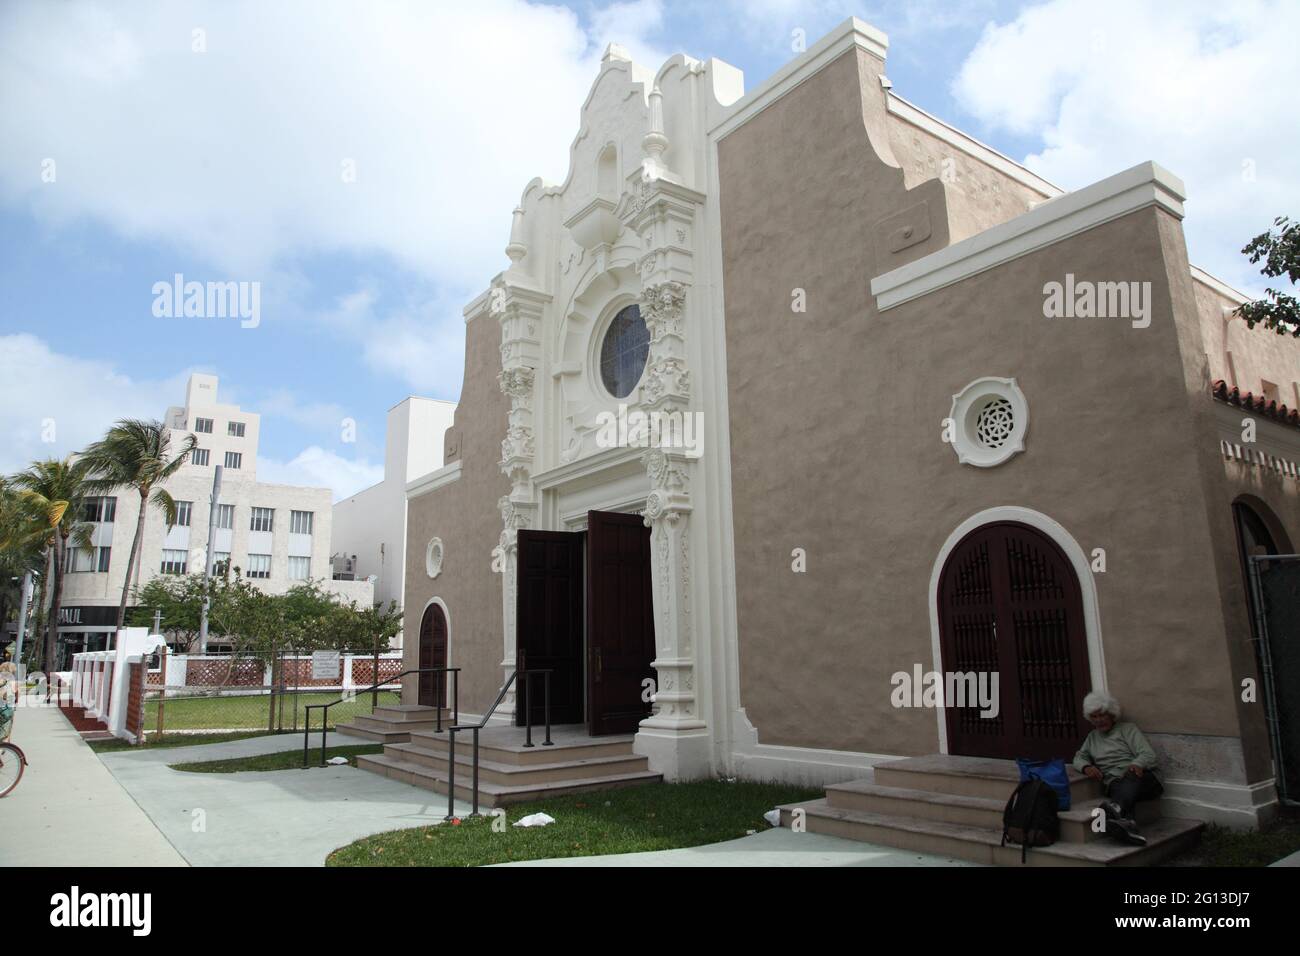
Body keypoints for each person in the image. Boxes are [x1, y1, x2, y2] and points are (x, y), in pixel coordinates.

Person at [1072, 691, 1162, 846]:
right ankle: (1127, 827)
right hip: (1117, 784)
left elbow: (1148, 755)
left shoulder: (1127, 729)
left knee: (1131, 777)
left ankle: (1113, 810)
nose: (1099, 720)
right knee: (1121, 788)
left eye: (1102, 715)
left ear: (1112, 715)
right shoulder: (1092, 737)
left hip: (1142, 780)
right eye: (1094, 716)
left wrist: (1137, 764)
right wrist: (1086, 767)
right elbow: (1079, 757)